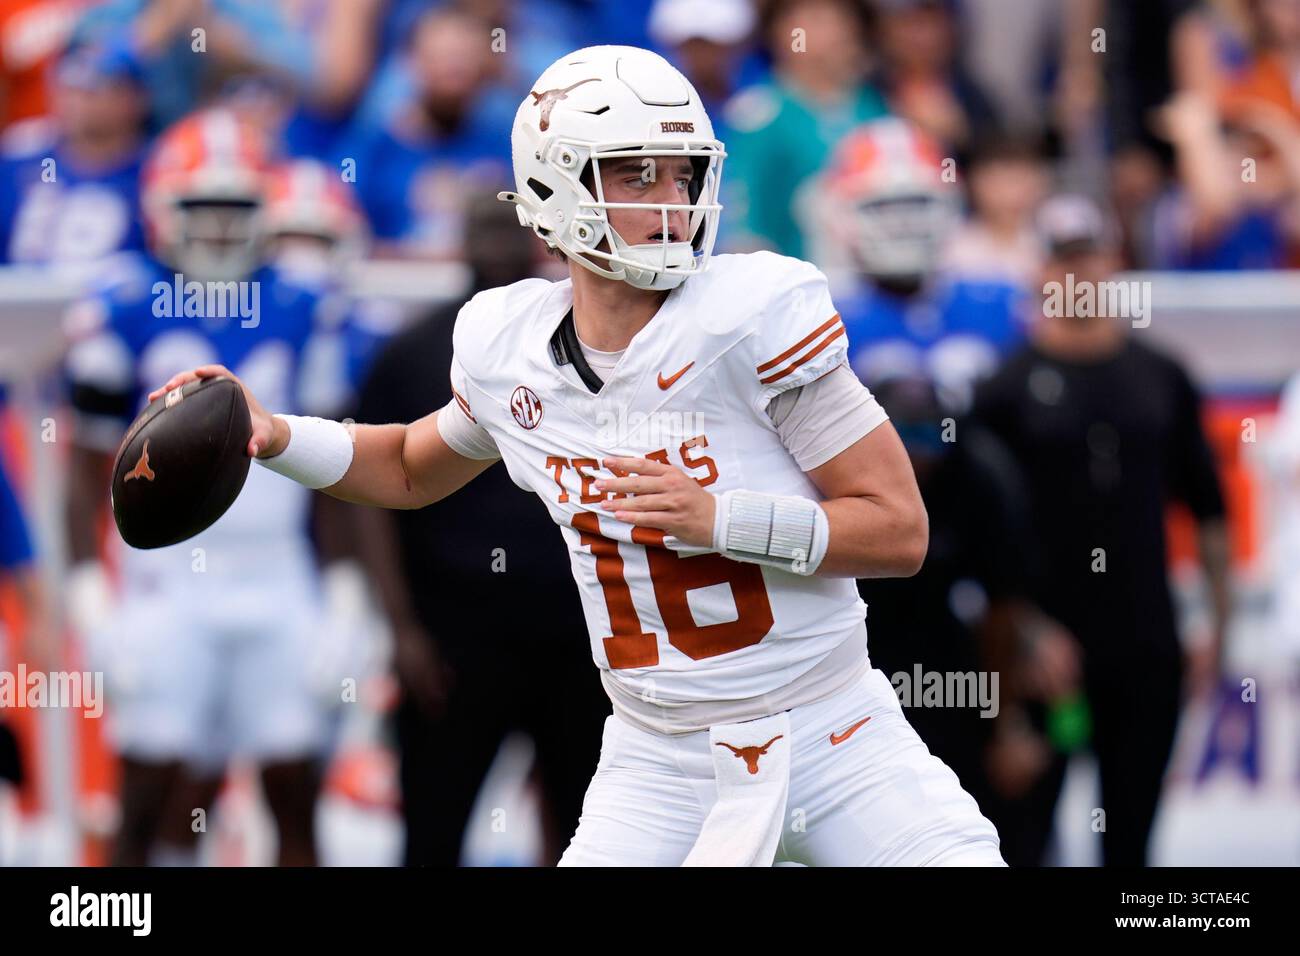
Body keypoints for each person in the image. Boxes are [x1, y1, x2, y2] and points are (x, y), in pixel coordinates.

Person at [153, 45, 1004, 867]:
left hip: (832, 730)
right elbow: (411, 466)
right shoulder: (510, 348)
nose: (671, 200)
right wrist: (274, 436)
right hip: (660, 759)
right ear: (552, 183)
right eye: (637, 173)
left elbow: (898, 532)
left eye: (683, 174)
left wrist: (721, 521)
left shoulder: (751, 316)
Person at [63, 110, 352, 866]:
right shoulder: (123, 303)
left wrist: (345, 592)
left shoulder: (301, 304)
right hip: (164, 581)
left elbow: (331, 471)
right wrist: (91, 591)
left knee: (293, 786)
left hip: (278, 575)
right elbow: (82, 465)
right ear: (163, 212)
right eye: (203, 212)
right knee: (151, 788)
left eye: (236, 214)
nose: (220, 233)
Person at [971, 193, 1232, 866]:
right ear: (1039, 272)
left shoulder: (1161, 377)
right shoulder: (1006, 387)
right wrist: (1019, 634)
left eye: (1089, 258)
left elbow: (1208, 511)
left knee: (1132, 842)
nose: (1078, 278)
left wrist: (1216, 630)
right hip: (1040, 655)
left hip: (1145, 644)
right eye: (1063, 262)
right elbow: (980, 535)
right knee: (1021, 838)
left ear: (1115, 263)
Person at [354, 192, 606, 866]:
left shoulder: (593, 344)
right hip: (456, 635)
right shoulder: (411, 352)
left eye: (507, 226)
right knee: (435, 825)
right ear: (457, 238)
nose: (495, 240)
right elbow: (380, 489)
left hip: (572, 628)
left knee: (590, 828)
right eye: (482, 225)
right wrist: (401, 627)